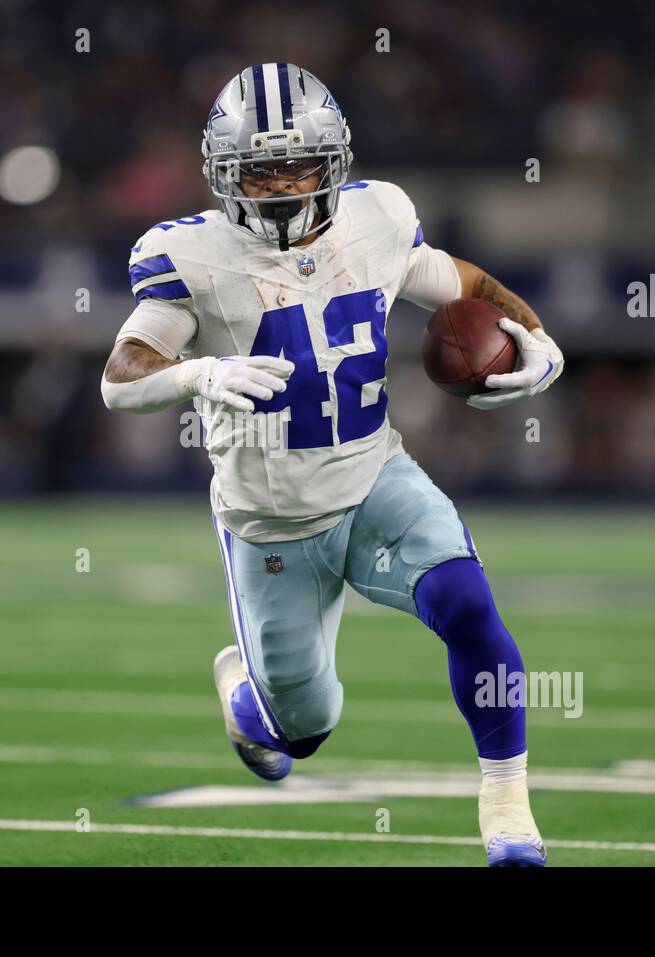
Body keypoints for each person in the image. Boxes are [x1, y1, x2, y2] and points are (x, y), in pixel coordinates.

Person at [101, 64, 563, 866]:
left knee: (467, 601)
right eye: (261, 169)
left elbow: (465, 282)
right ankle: (246, 688)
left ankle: (508, 806)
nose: (281, 186)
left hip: (375, 475)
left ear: (336, 162)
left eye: (299, 165)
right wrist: (197, 373)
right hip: (270, 520)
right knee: (303, 732)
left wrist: (539, 337)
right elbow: (120, 378)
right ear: (223, 173)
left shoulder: (377, 220)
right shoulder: (193, 258)